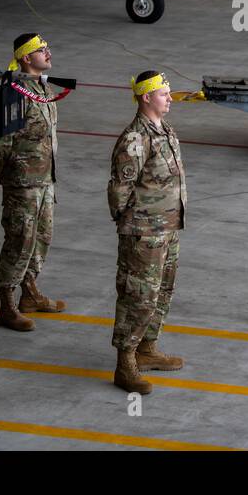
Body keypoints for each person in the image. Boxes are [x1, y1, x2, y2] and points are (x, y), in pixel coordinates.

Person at [106, 70, 188, 395]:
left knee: (162, 291)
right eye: (164, 93)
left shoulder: (164, 130)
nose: (170, 98)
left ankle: (147, 348)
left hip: (168, 230)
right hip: (143, 234)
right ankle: (125, 363)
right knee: (138, 296)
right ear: (146, 97)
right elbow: (119, 192)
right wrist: (132, 228)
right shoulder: (134, 139)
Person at [0, 33, 68, 331]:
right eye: (40, 50)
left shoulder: (41, 88)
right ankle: (7, 304)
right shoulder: (14, 92)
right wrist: (8, 176)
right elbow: (0, 141)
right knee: (19, 240)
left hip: (45, 180)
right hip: (23, 183)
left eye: (47, 47)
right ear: (25, 58)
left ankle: (30, 292)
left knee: (42, 237)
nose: (47, 52)